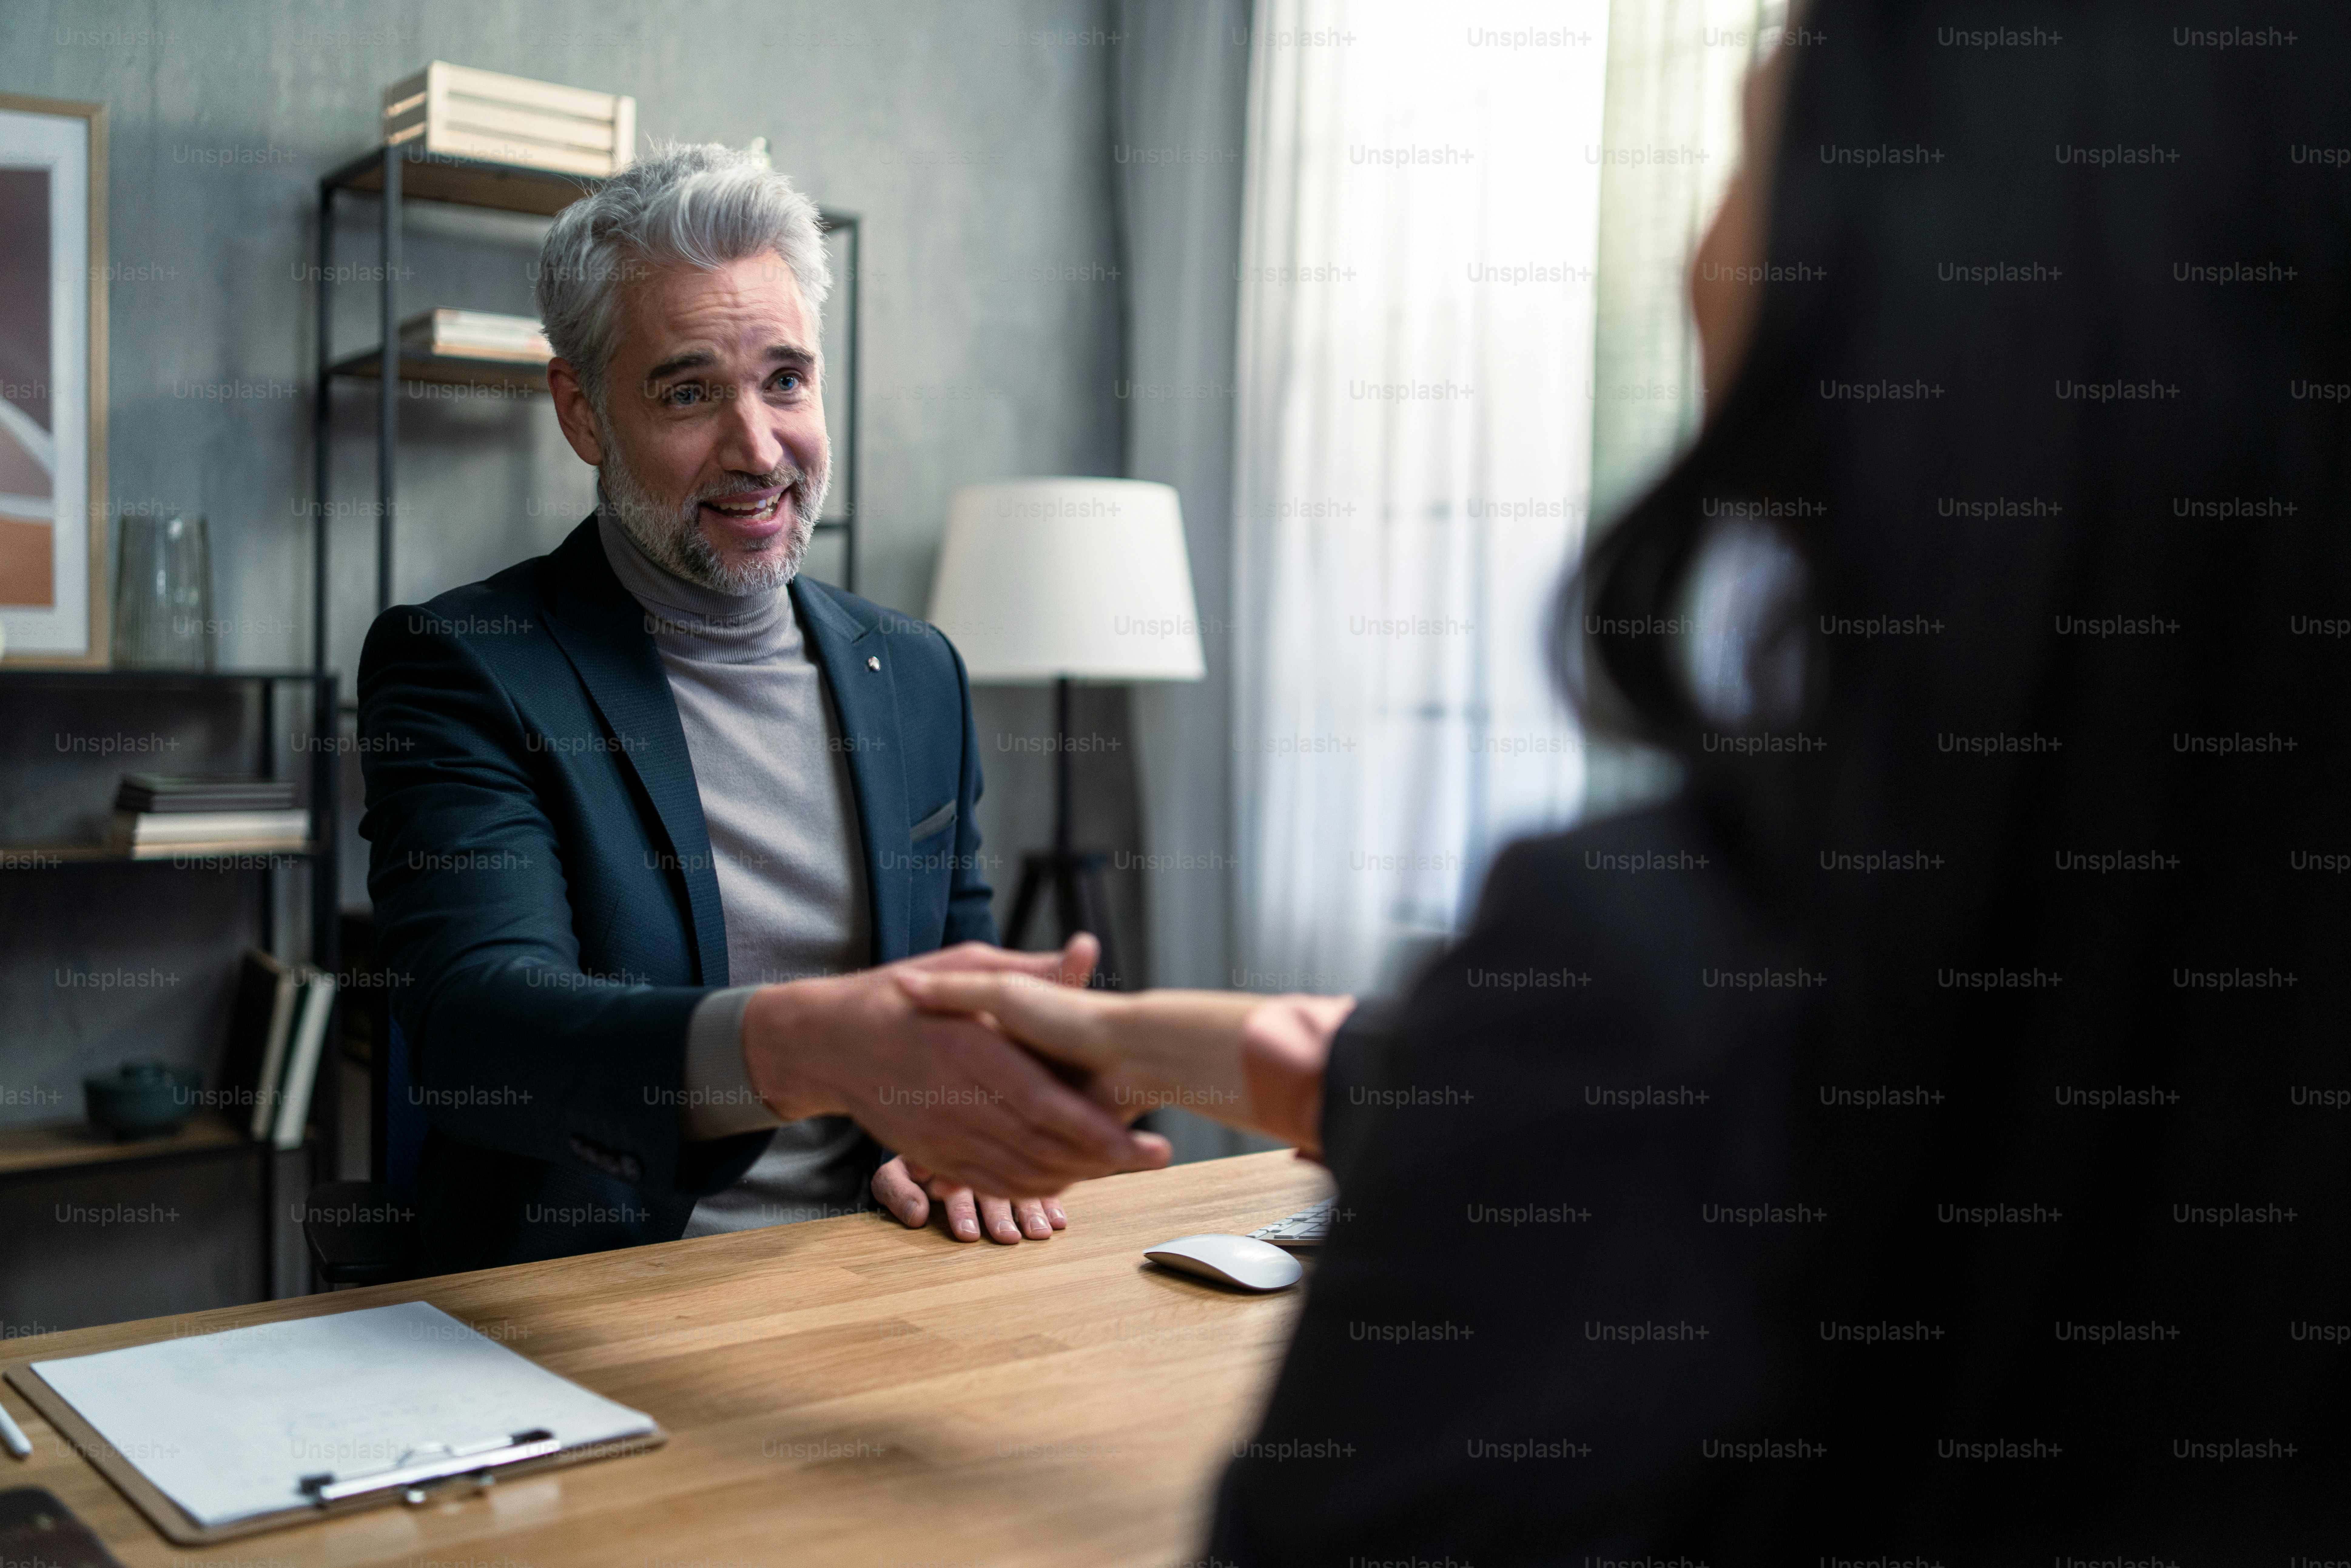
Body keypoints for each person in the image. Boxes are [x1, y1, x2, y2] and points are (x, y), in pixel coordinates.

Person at [899, 3, 2351, 1557]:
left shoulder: (1650, 969)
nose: (1696, 252)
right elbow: (1384, 1067)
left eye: (1747, 153)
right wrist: (1112, 1036)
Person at [358, 143, 1165, 1273]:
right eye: (689, 391)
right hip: (593, 1305)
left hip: (881, 1274)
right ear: (582, 412)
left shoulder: (919, 669)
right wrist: (809, 1045)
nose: (757, 447)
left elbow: (959, 985)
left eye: (785, 379)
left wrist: (963, 1135)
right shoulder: (465, 666)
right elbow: (483, 1026)